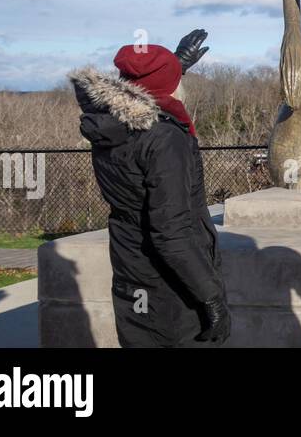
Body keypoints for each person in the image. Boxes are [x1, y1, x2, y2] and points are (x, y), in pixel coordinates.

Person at [68, 29, 231, 348]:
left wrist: (173, 64)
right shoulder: (165, 140)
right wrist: (210, 297)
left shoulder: (109, 121)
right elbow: (171, 234)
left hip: (132, 264)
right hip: (172, 285)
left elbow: (141, 98)